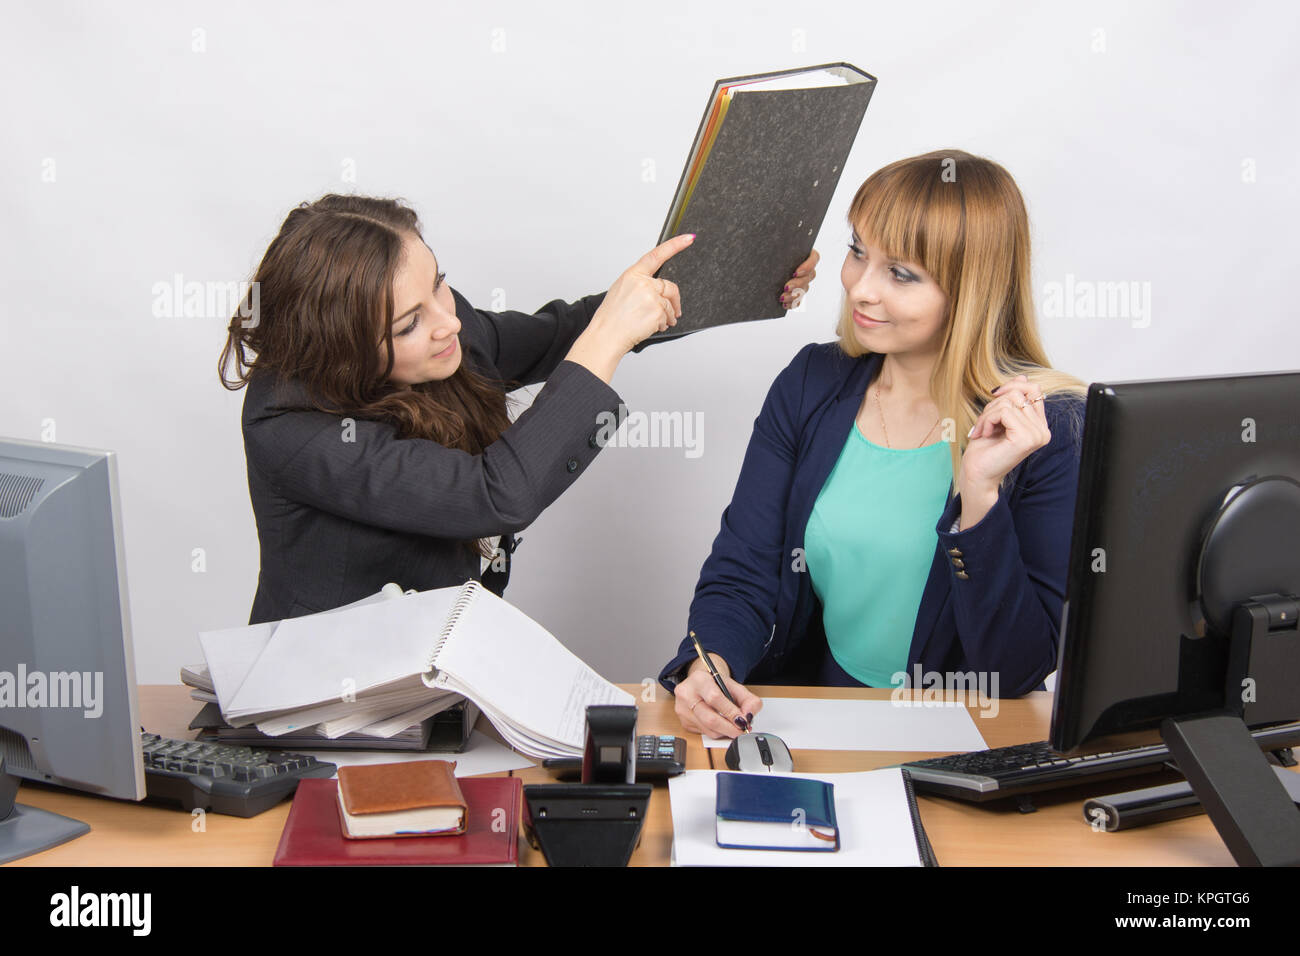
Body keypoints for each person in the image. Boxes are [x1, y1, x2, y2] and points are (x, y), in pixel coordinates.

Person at [218, 194, 818, 624]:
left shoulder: (445, 333)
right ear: (340, 346)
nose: (448, 321)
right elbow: (494, 494)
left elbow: (561, 332)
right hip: (325, 703)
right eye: (408, 323)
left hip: (431, 672)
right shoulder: (290, 429)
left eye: (439, 282)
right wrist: (607, 339)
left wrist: (741, 279)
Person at [658, 150, 1089, 740]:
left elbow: (1015, 670)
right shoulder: (813, 383)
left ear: (972, 291)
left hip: (964, 740)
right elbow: (744, 571)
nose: (861, 288)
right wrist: (710, 664)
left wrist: (980, 495)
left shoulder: (1047, 431)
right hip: (821, 719)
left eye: (902, 274)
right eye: (858, 251)